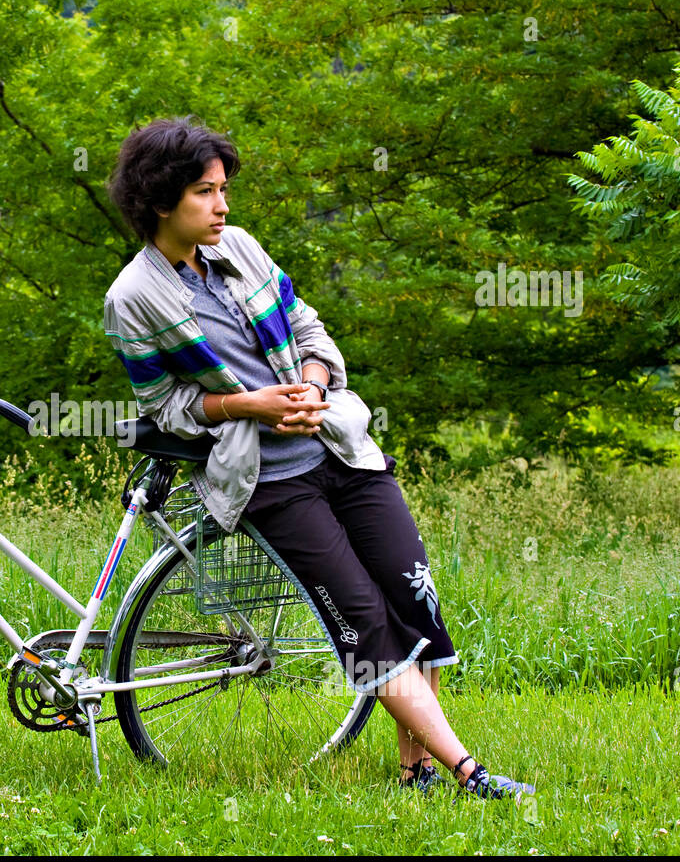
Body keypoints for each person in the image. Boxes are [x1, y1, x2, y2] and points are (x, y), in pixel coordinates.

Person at [102, 116, 533, 800]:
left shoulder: (239, 248)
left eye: (223, 190)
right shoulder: (134, 298)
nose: (223, 206)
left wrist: (313, 381)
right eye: (205, 193)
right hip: (270, 481)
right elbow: (167, 408)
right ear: (160, 200)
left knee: (414, 595)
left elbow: (308, 325)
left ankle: (414, 769)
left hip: (341, 446)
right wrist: (253, 406)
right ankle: (468, 772)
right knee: (363, 620)